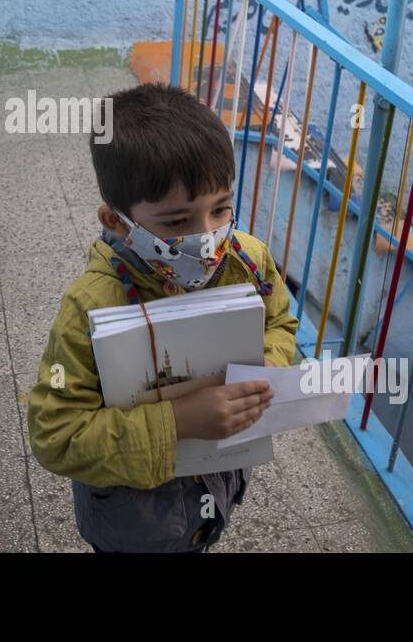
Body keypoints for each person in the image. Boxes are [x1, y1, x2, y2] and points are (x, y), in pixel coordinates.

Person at [27, 83, 300, 553]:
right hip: (132, 523)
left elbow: (279, 320)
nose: (209, 238)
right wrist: (179, 421)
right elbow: (56, 435)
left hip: (216, 485)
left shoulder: (248, 260)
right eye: (177, 222)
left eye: (221, 209)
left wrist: (271, 363)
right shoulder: (90, 307)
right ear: (116, 222)